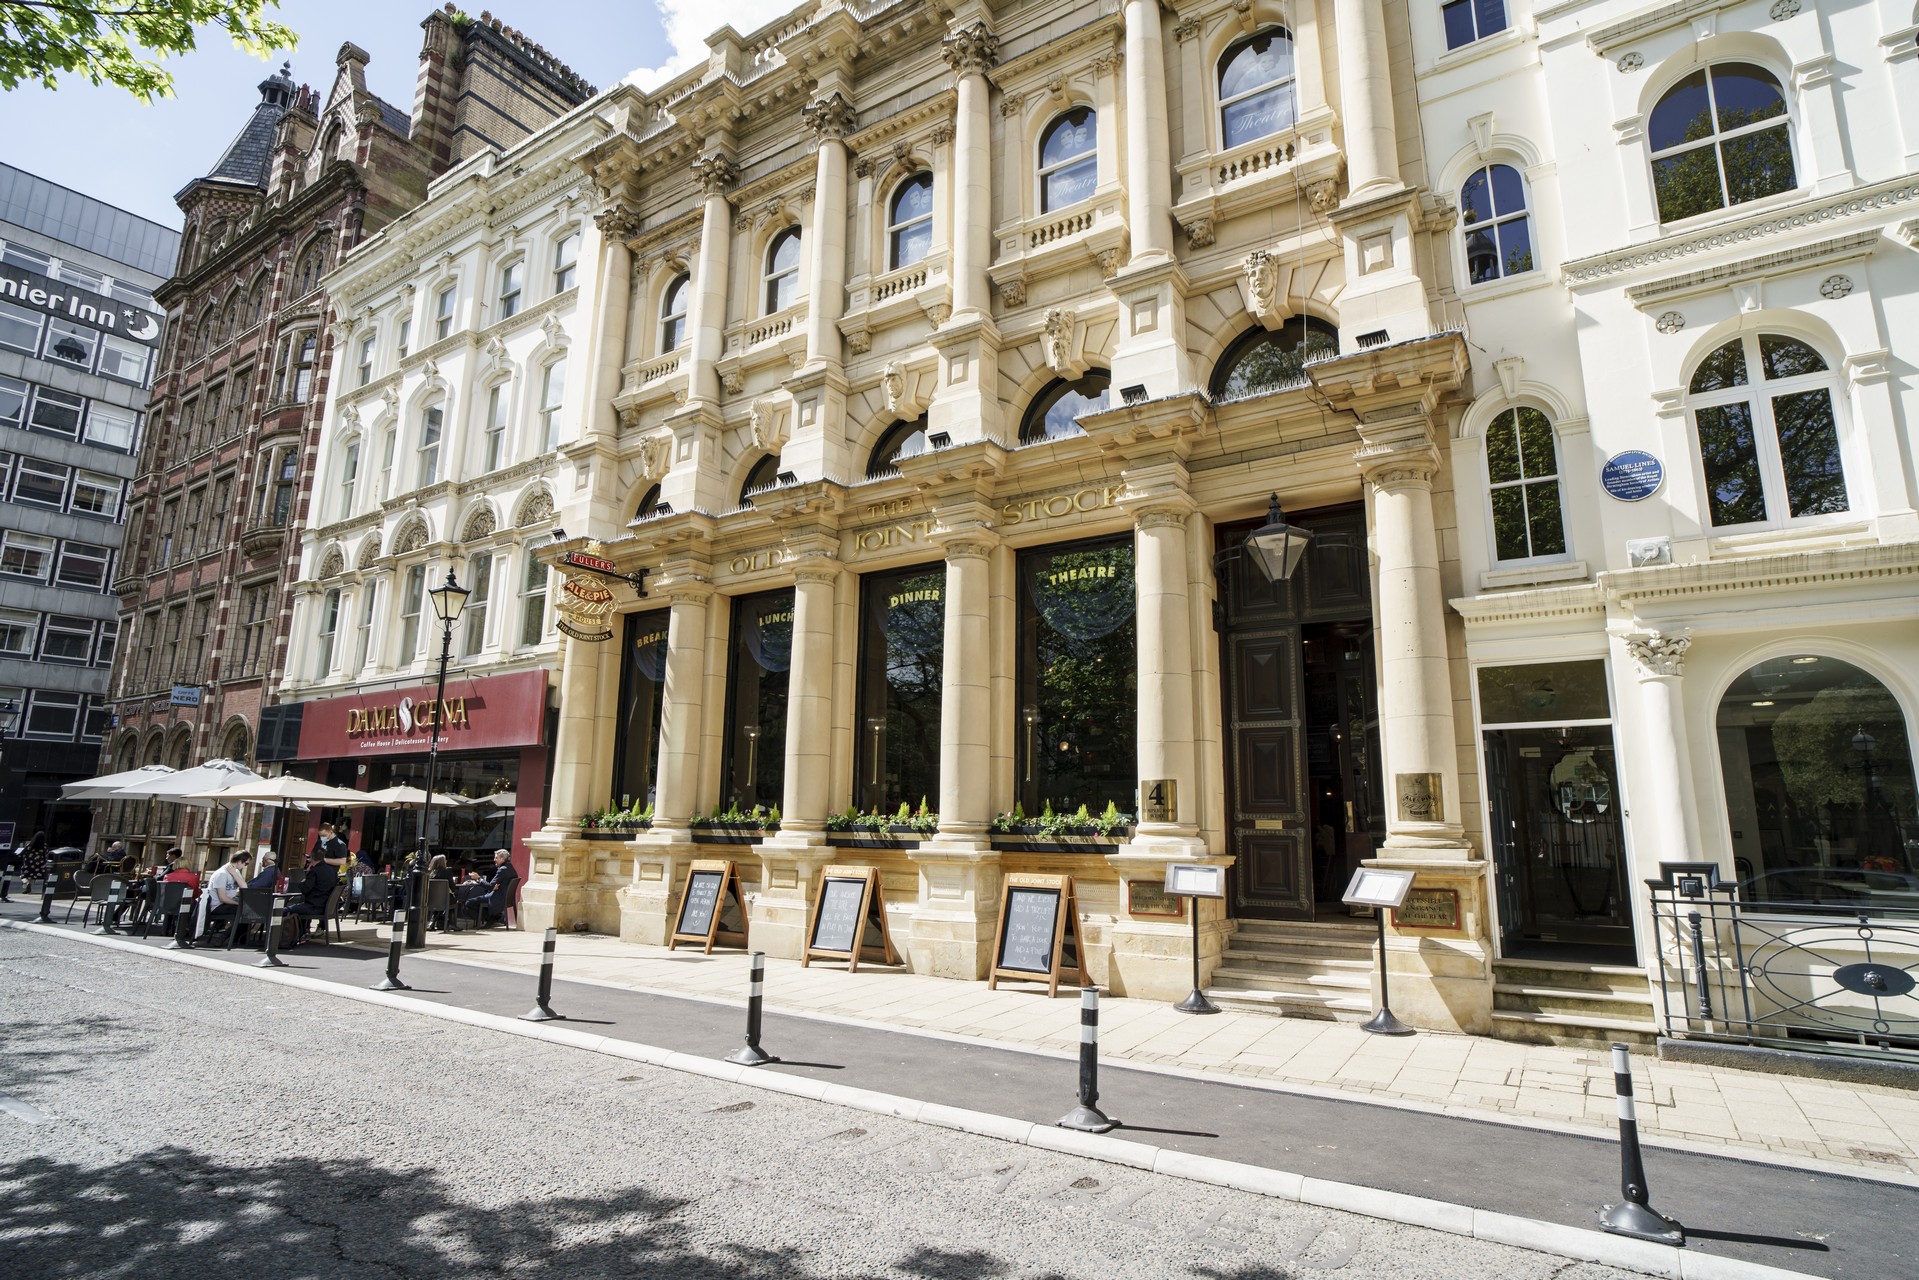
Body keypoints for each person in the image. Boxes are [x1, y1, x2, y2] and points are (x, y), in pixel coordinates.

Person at [284, 824, 348, 945]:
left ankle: (318, 926)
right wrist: (311, 865)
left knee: (318, 897)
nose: (322, 837)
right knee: (308, 896)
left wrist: (323, 861)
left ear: (330, 832)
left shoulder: (339, 844)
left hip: (328, 875)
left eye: (324, 835)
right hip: (316, 873)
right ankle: (305, 927)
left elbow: (342, 861)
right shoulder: (319, 843)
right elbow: (314, 855)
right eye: (320, 835)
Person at [458, 849, 519, 928]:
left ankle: (490, 918)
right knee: (478, 900)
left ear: (502, 858)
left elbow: (490, 886)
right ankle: (492, 917)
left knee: (469, 903)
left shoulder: (502, 870)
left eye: (496, 858)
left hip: (498, 897)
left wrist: (478, 878)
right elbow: (495, 885)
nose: (494, 860)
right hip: (503, 896)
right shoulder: (510, 868)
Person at [198, 852, 251, 938]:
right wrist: (237, 903)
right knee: (245, 911)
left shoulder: (235, 871)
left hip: (227, 903)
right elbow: (222, 898)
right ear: (240, 861)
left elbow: (244, 887)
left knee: (247, 910)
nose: (245, 866)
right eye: (246, 863)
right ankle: (225, 937)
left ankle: (237, 937)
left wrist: (234, 874)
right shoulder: (221, 874)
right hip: (217, 906)